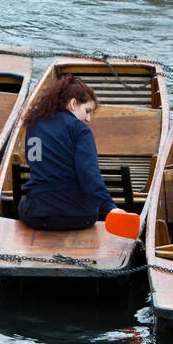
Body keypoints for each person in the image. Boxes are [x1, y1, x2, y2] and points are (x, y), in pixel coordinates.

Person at [16, 74, 117, 230]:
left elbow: (34, 162)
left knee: (23, 204)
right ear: (73, 103)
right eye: (87, 110)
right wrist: (110, 207)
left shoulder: (33, 125)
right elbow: (88, 173)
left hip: (37, 215)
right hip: (79, 217)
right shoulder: (80, 130)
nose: (88, 118)